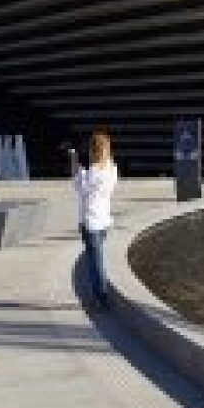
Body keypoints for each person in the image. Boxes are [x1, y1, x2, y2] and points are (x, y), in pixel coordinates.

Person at [75, 128, 118, 305]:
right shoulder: (112, 169)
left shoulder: (92, 172)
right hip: (104, 221)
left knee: (94, 262)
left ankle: (101, 297)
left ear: (93, 151)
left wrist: (78, 171)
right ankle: (100, 294)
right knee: (97, 258)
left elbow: (81, 190)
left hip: (91, 222)